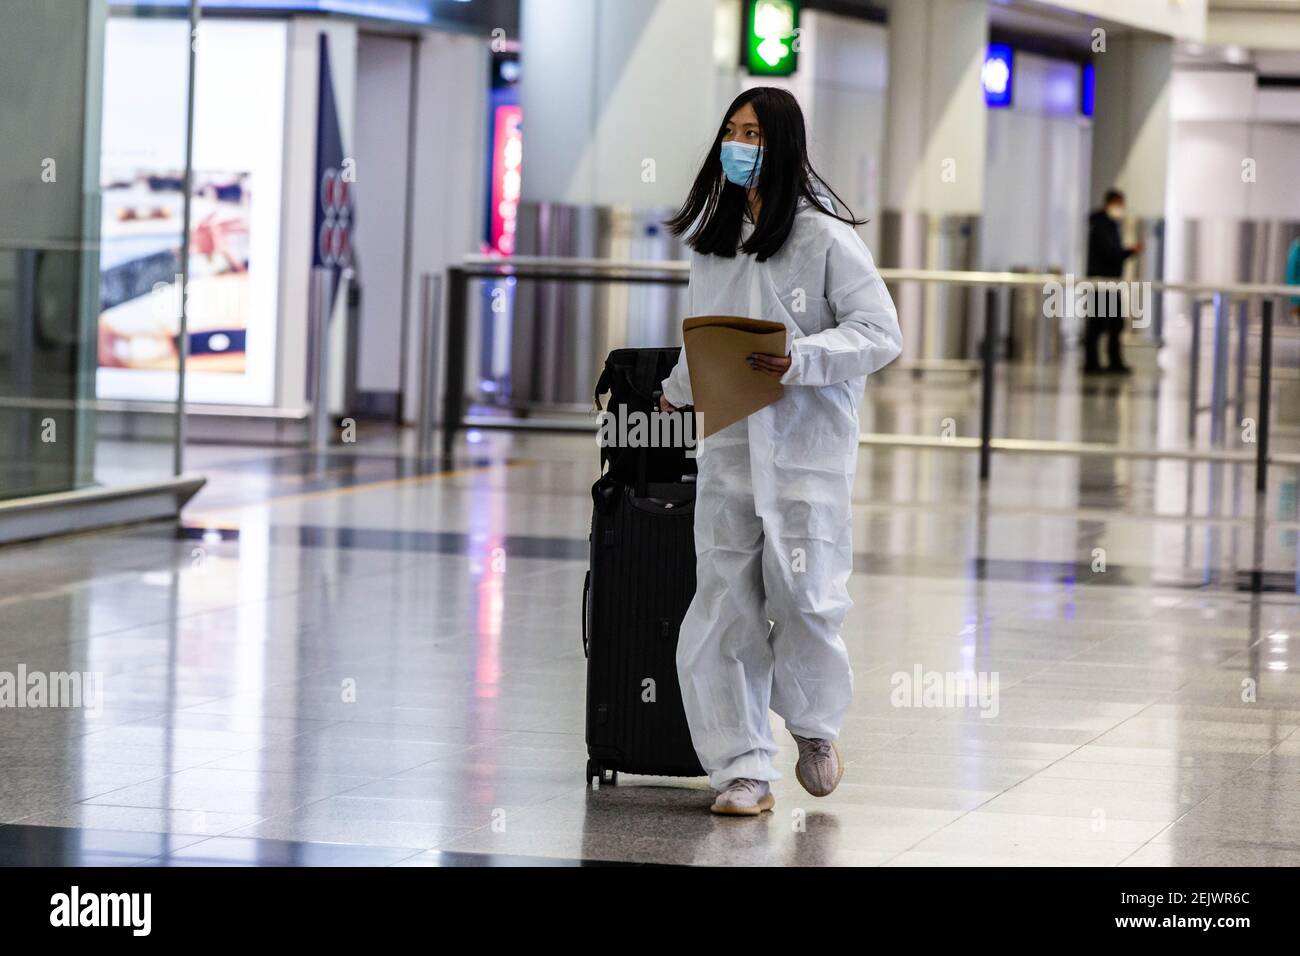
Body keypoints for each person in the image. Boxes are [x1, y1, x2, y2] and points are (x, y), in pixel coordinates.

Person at [658, 87, 902, 816]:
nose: (739, 145)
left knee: (805, 598)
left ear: (784, 145)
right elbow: (704, 335)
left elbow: (880, 333)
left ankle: (815, 727)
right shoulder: (715, 240)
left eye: (754, 134)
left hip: (805, 452)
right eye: (731, 131)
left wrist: (804, 358)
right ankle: (742, 768)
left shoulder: (824, 237)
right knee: (724, 604)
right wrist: (676, 387)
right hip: (731, 444)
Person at [1083, 188, 1142, 374]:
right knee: (1097, 325)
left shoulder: (1109, 224)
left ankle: (1113, 362)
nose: (1121, 208)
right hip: (1101, 283)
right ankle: (1092, 364)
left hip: (1110, 283)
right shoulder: (1101, 225)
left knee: (1114, 324)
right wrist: (1130, 251)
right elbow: (1110, 253)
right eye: (1119, 204)